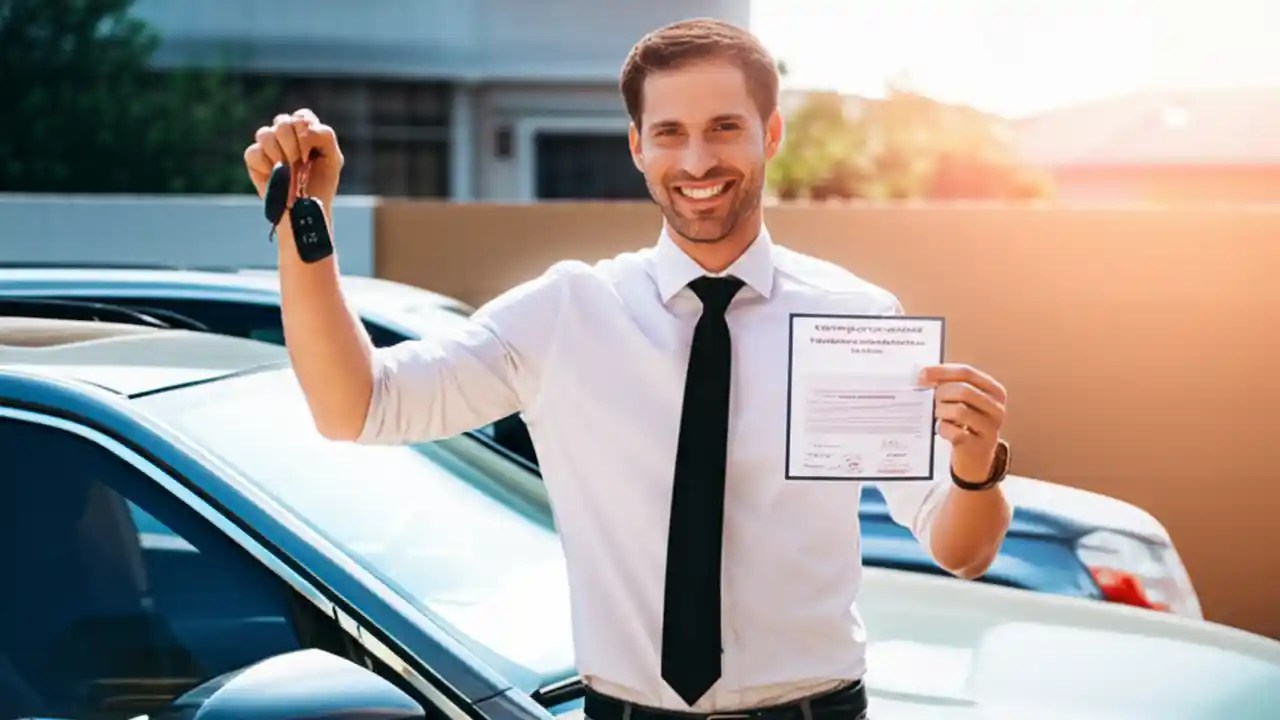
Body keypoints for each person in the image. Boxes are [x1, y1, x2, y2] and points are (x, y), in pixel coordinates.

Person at [243, 17, 1013, 720]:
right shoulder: (566, 314)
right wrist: (305, 226)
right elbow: (358, 406)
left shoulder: (856, 319)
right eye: (670, 133)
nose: (698, 160)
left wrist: (976, 469)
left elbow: (961, 549)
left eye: (724, 128)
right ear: (638, 146)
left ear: (771, 133)